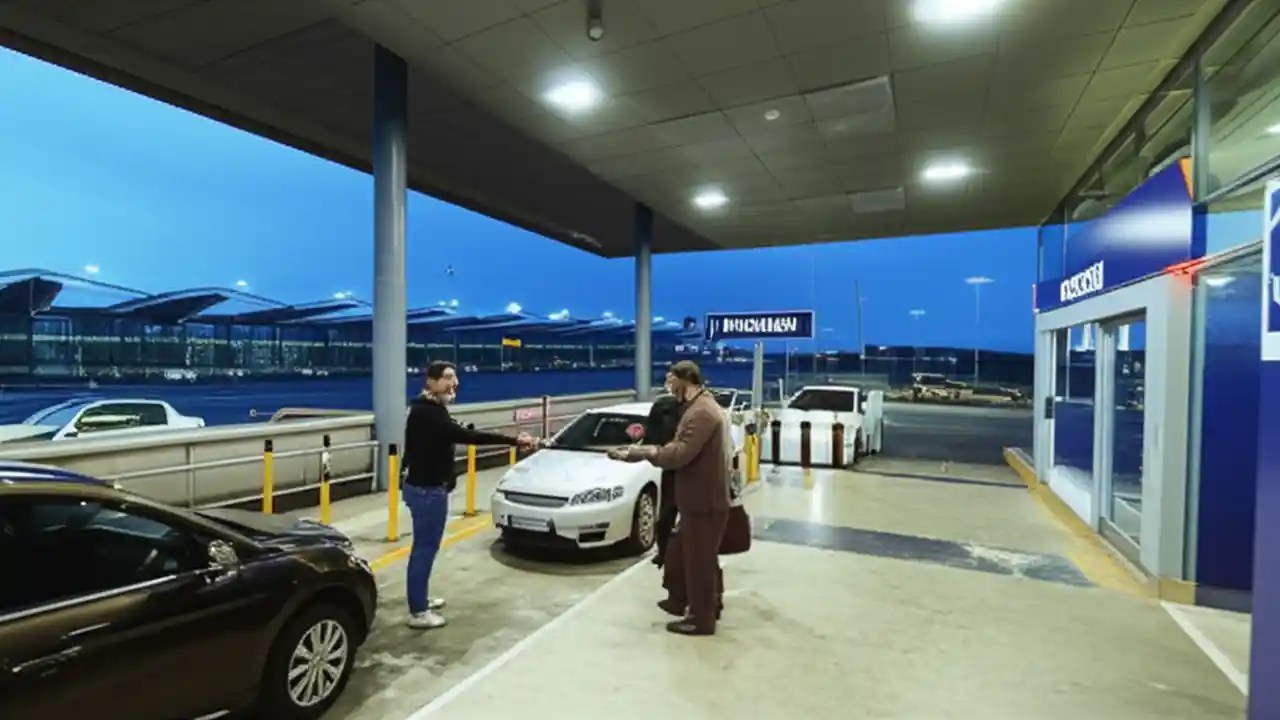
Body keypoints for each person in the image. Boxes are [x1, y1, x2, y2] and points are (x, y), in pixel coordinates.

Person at [402, 360, 536, 629]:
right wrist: (513, 440)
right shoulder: (427, 413)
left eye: (455, 377)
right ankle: (418, 612)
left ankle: (420, 599)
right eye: (447, 377)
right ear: (431, 381)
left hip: (424, 488)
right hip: (428, 491)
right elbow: (466, 436)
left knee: (425, 548)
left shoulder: (428, 408)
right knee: (424, 550)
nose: (454, 383)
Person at [610, 361, 731, 636]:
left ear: (686, 380)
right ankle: (692, 602)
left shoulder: (702, 412)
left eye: (671, 379)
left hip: (703, 501)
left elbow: (679, 453)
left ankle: (701, 619)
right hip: (698, 499)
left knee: (700, 563)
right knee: (686, 553)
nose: (668, 384)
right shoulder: (698, 407)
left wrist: (641, 453)